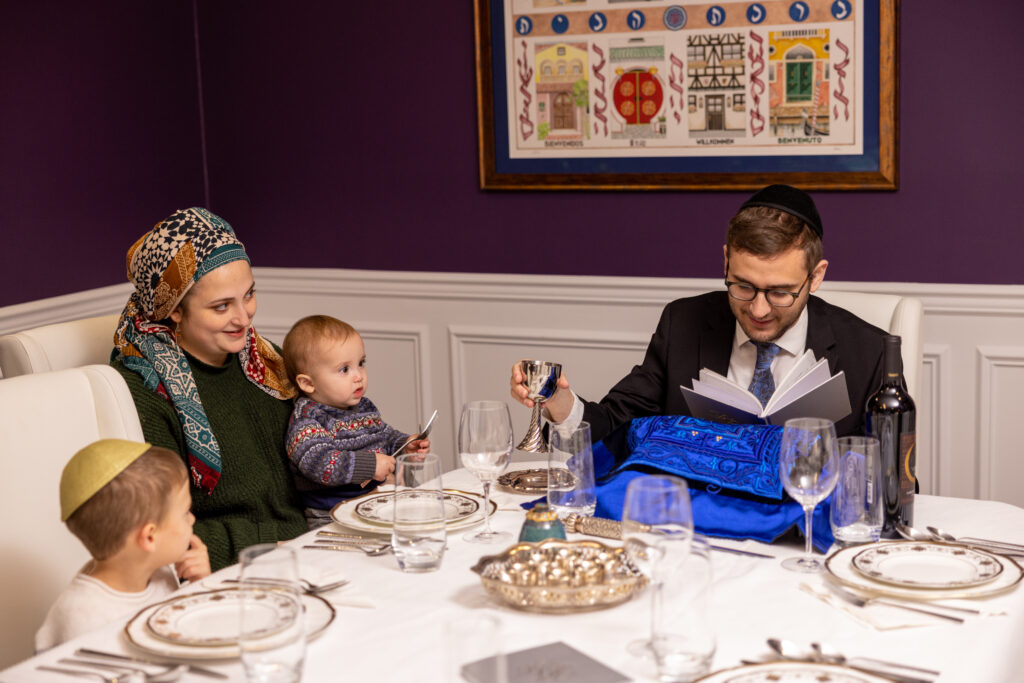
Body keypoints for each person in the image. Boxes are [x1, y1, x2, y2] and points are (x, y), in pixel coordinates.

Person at [510, 184, 886, 442]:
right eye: (742, 286)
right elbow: (615, 426)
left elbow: (895, 483)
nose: (758, 309)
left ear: (816, 276)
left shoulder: (868, 352)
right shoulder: (683, 324)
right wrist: (557, 401)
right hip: (698, 534)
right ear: (725, 260)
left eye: (780, 293)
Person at [111, 207, 308, 571]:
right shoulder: (145, 392)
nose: (244, 317)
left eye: (249, 295)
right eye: (221, 307)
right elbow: (161, 529)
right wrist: (268, 543)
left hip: (312, 546)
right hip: (235, 570)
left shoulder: (267, 362)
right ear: (175, 311)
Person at [35, 439, 210, 651]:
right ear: (149, 538)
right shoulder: (81, 618)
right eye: (185, 513)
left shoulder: (158, 572)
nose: (192, 520)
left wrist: (201, 585)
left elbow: (188, 638)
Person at [282, 315, 430, 528]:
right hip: (332, 515)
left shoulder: (363, 407)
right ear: (308, 383)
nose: (358, 375)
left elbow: (384, 436)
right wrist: (369, 466)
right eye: (344, 369)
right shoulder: (307, 420)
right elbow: (320, 463)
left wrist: (406, 446)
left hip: (374, 503)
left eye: (361, 363)